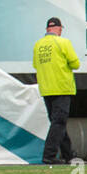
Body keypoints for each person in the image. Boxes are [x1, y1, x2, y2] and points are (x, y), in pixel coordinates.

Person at [32, 16, 80, 165]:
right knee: (59, 122)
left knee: (58, 123)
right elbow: (75, 63)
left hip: (46, 89)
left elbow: (35, 65)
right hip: (62, 87)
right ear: (59, 29)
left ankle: (68, 155)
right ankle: (49, 155)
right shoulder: (63, 42)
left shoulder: (38, 45)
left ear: (47, 29)